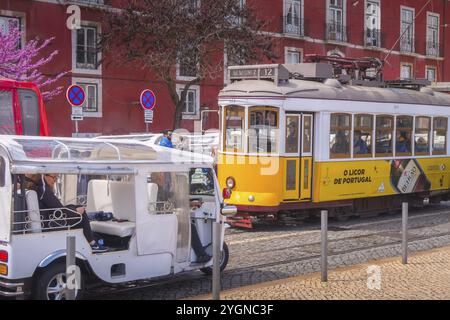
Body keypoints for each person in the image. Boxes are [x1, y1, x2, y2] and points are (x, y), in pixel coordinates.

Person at [25, 174, 108, 253]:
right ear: (44, 176)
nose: (54, 181)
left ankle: (96, 220)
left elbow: (57, 208)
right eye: (53, 177)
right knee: (81, 214)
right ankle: (92, 244)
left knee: (77, 208)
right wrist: (75, 211)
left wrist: (74, 209)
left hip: (48, 221)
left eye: (56, 178)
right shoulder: (43, 191)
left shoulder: (35, 188)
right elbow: (60, 209)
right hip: (52, 224)